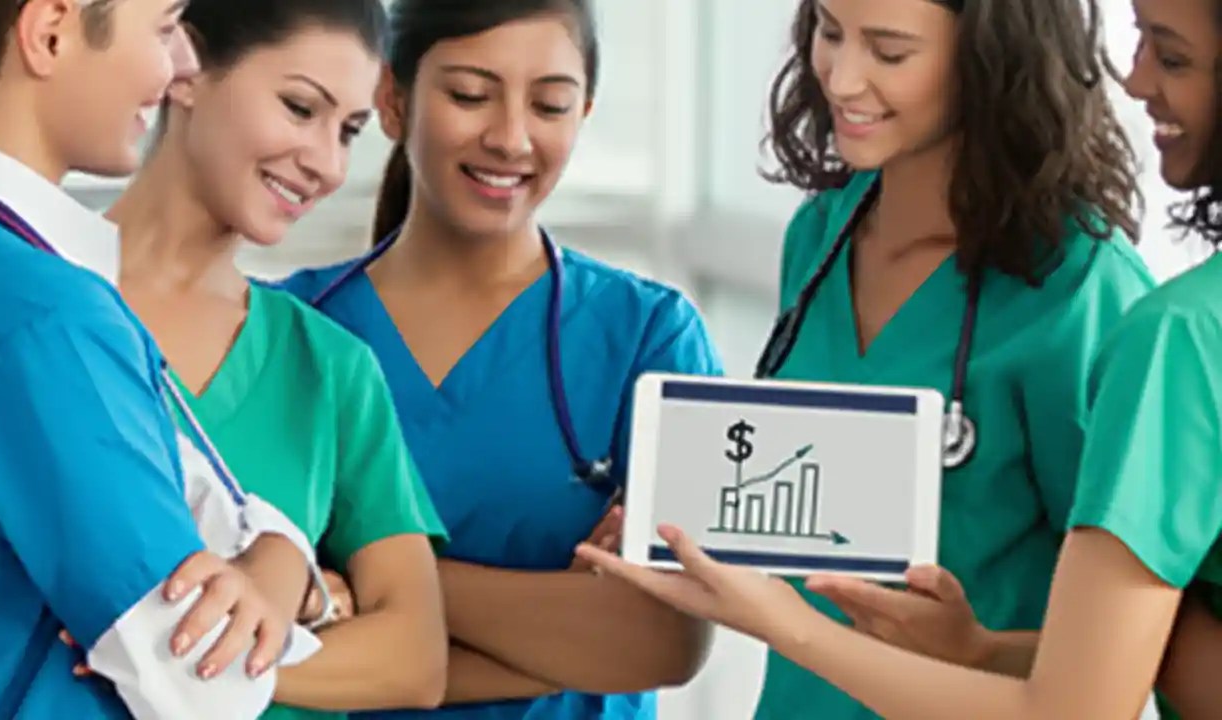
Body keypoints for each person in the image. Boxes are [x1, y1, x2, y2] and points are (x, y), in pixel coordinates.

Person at [574, 0, 1164, 717]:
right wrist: (678, 521)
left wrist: (975, 644)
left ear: (992, 61)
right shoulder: (822, 233)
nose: (842, 79)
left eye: (889, 53)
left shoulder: (1081, 289)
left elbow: (1144, 650)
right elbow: (814, 508)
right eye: (829, 31)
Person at [281, 0, 719, 718]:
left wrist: (370, 589)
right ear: (393, 100)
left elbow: (662, 642)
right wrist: (560, 635)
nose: (512, 138)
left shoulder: (651, 338)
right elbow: (250, 642)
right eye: (469, 96)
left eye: (550, 105)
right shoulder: (288, 330)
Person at [0, 0, 318, 718]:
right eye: (164, 26)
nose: (181, 65)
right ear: (50, 32)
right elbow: (203, 680)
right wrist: (288, 565)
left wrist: (275, 555)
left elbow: (208, 501)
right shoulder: (49, 320)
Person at [101, 0, 451, 717]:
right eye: (299, 108)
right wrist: (302, 616)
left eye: (349, 131)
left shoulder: (329, 367)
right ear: (183, 68)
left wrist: (216, 655)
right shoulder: (38, 309)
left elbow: (415, 657)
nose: (326, 163)